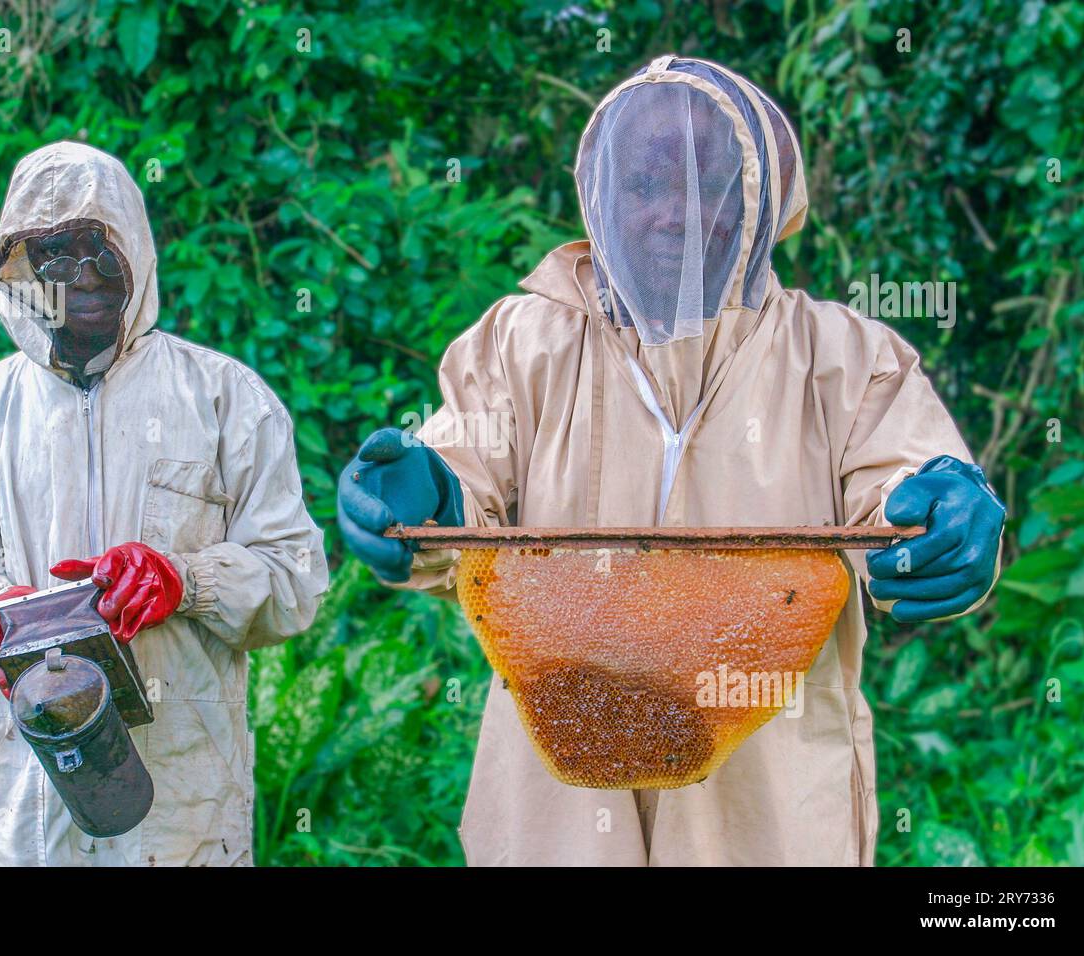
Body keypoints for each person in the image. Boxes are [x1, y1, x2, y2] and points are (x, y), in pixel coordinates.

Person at [337, 56, 1004, 866]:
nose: (672, 216)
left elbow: (903, 478)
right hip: (559, 802)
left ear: (762, 205)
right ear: (601, 200)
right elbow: (465, 469)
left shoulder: (842, 356)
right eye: (645, 186)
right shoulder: (526, 341)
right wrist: (424, 497)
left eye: (708, 185)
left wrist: (944, 513)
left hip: (767, 790)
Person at [0, 141, 328, 866]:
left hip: (184, 810)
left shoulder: (227, 400)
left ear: (135, 248)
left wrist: (184, 580)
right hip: (25, 804)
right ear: (21, 274)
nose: (83, 278)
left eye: (98, 250)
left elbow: (295, 580)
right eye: (54, 257)